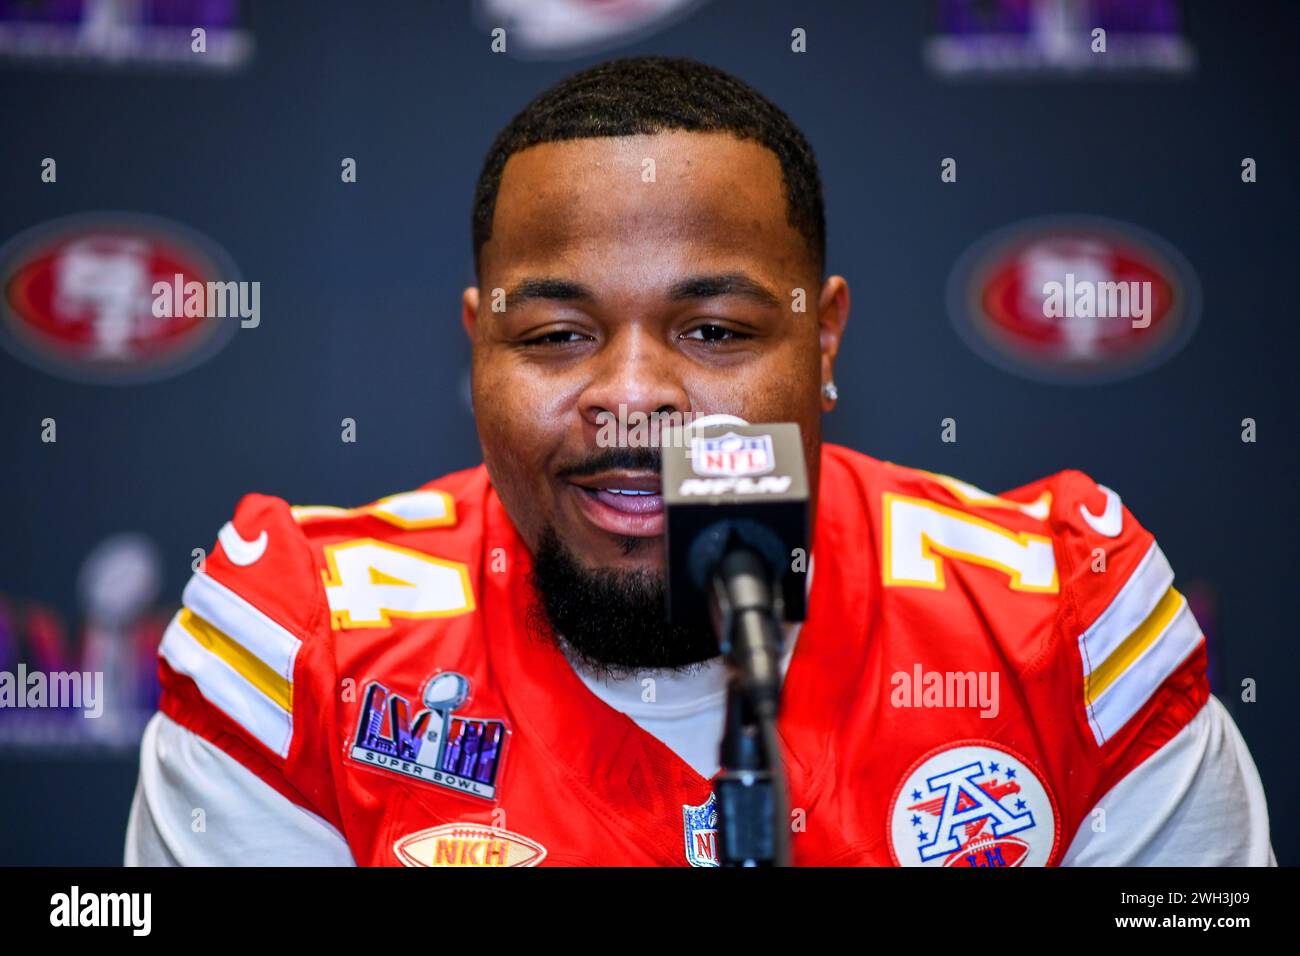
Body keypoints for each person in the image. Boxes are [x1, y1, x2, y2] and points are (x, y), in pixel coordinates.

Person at [125, 56, 1273, 867]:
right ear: (477, 344)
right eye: (556, 335)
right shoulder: (303, 649)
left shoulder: (1056, 630)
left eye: (715, 332)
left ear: (822, 338)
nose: (633, 396)